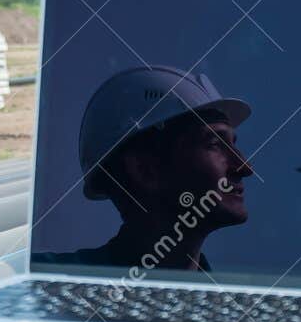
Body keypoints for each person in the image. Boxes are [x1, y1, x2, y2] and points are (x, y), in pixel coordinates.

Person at [52, 65, 254, 273]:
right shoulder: (49, 282)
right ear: (144, 169)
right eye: (214, 144)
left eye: (232, 144)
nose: (245, 167)